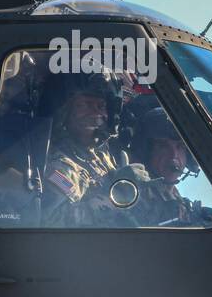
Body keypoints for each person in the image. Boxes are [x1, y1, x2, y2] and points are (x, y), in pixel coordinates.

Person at [40, 71, 138, 227]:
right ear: (64, 111)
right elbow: (51, 219)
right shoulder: (56, 164)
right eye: (84, 104)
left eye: (101, 106)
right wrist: (113, 202)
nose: (96, 112)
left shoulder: (101, 154)